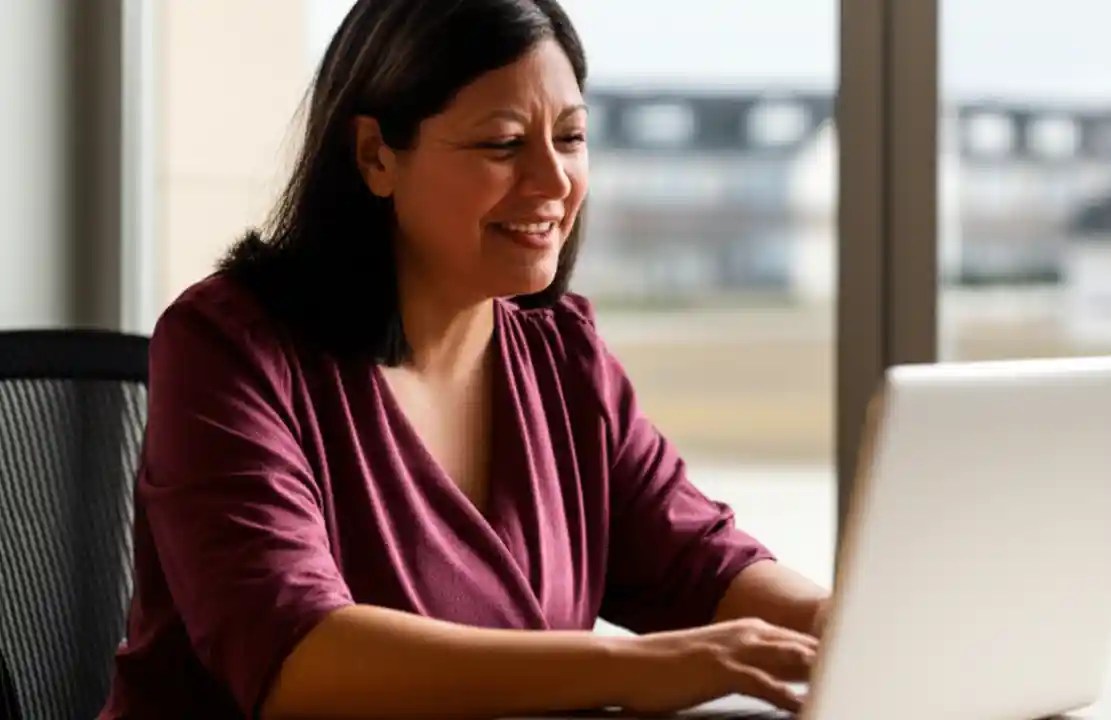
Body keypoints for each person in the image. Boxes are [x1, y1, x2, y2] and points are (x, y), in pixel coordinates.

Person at [100, 1, 829, 717]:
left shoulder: (562, 356)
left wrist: (839, 629)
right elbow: (295, 656)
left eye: (571, 138)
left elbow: (701, 566)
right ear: (376, 155)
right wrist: (636, 669)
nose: (552, 182)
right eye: (504, 144)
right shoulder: (229, 350)